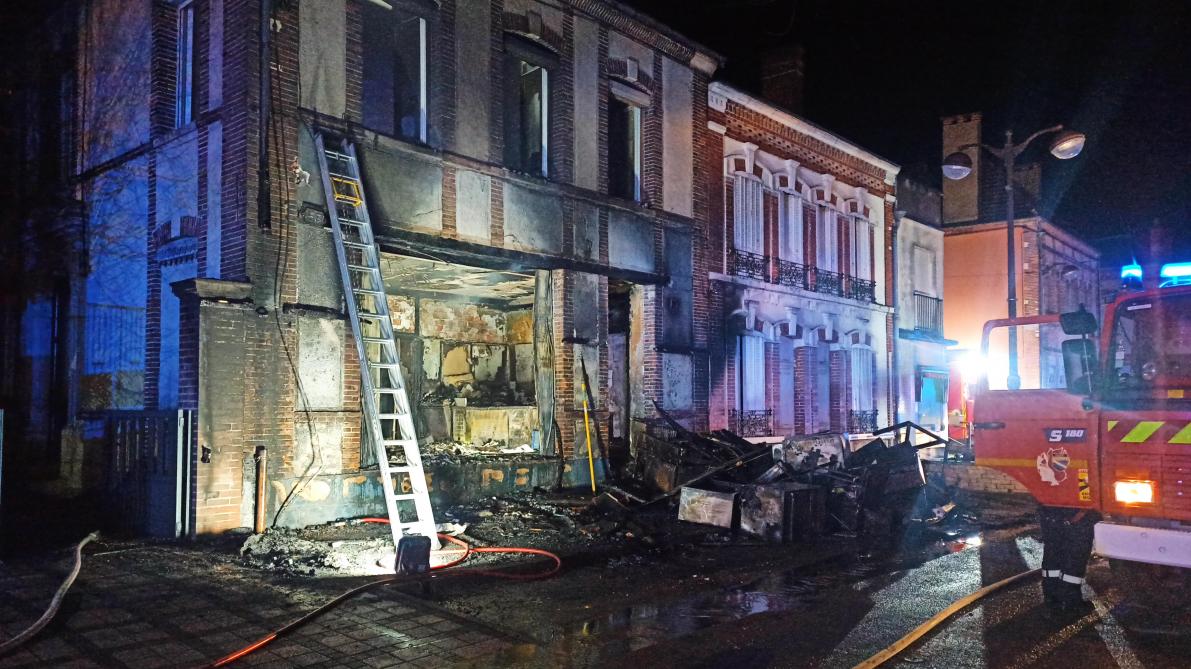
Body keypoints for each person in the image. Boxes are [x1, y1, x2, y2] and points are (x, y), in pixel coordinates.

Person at [1038, 505, 1099, 612]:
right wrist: (1084, 511)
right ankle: (1071, 602)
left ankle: (1051, 598)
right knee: (1074, 558)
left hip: (1049, 511)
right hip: (1078, 512)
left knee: (1053, 554)